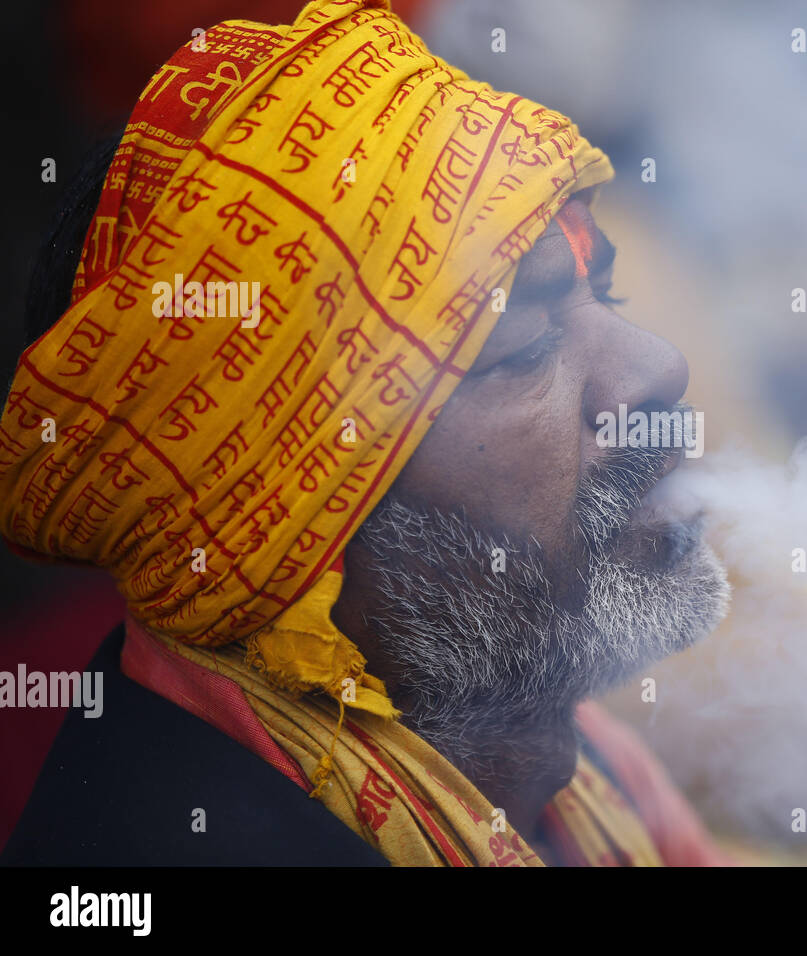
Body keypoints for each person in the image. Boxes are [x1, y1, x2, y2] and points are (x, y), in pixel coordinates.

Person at [1, 0, 731, 866]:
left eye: (602, 296)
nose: (656, 367)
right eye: (523, 346)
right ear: (291, 534)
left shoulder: (583, 774)